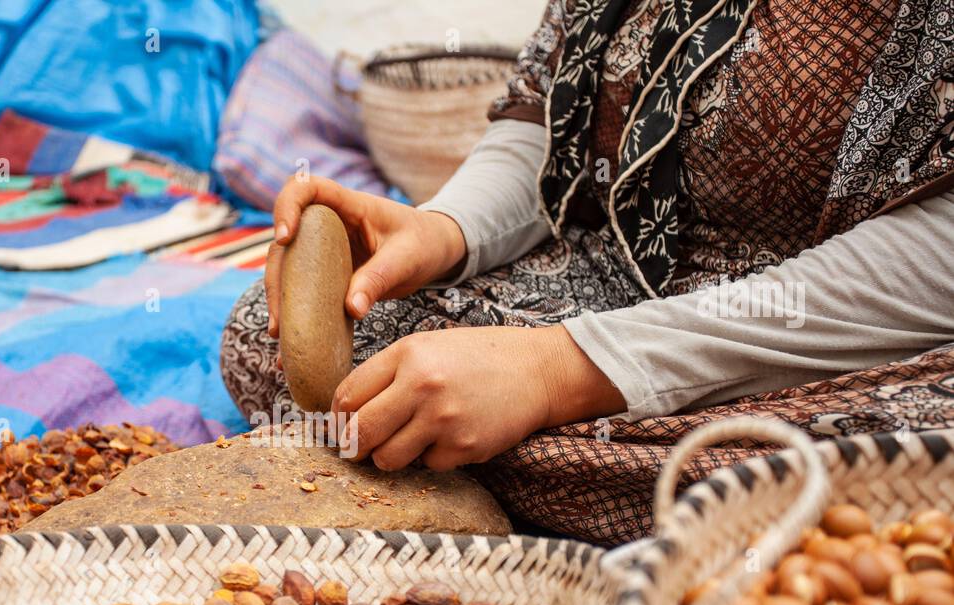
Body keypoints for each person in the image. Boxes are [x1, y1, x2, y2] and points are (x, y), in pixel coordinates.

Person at [221, 0, 954, 545]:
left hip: (835, 333)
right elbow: (542, 134)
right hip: (618, 274)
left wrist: (558, 371)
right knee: (273, 339)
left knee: (869, 470)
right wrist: (442, 230)